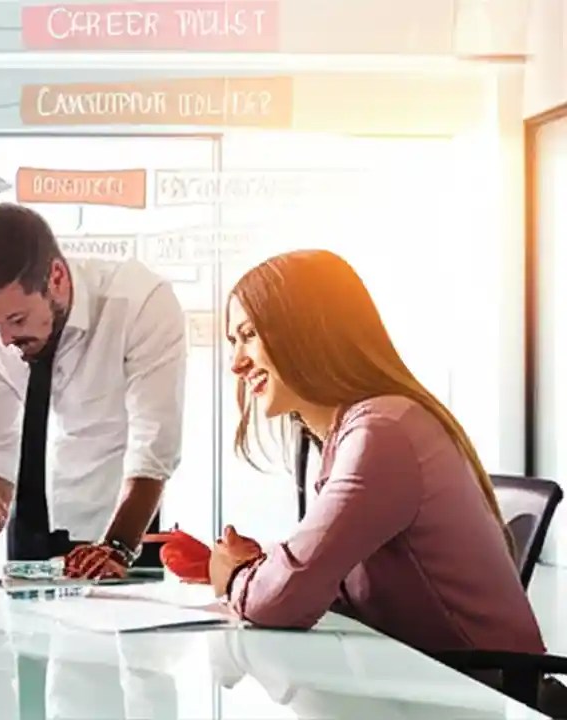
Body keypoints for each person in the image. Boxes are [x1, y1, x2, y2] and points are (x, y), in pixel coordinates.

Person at [209, 248, 544, 656]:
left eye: (248, 336)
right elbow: (317, 583)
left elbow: (278, 601)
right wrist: (267, 573)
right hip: (427, 682)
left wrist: (238, 575)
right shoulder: (358, 432)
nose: (236, 364)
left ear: (304, 331)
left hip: (477, 696)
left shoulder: (382, 433)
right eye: (232, 341)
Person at [0, 202, 187, 578]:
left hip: (121, 529)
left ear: (56, 278)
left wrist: (117, 547)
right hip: (27, 548)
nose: (5, 338)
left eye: (17, 319)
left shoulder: (140, 302)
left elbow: (154, 446)